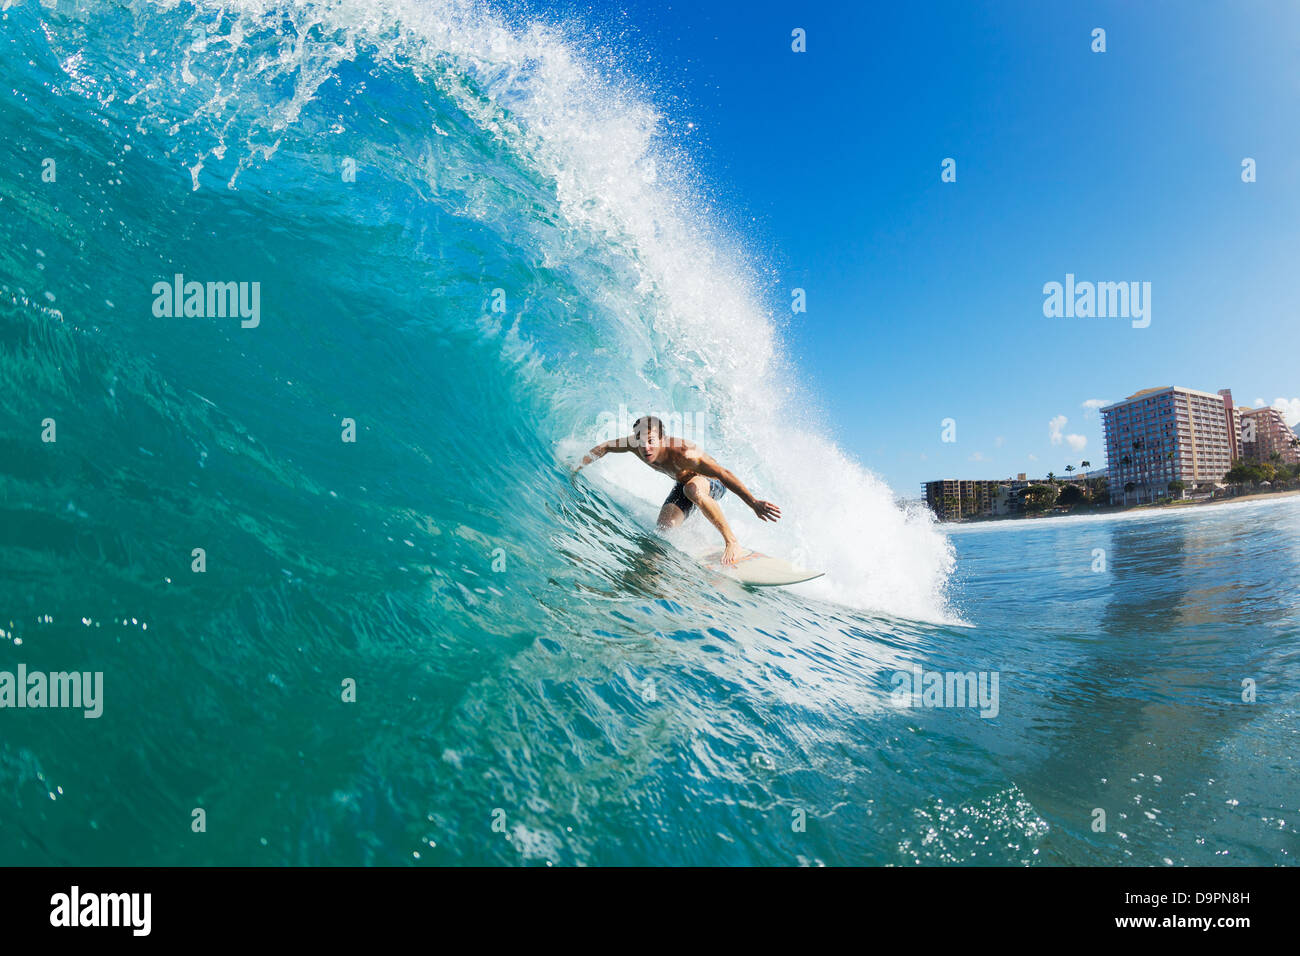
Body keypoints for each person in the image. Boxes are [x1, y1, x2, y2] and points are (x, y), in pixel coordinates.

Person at [573, 415, 781, 565]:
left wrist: (753, 503)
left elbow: (723, 474)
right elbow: (605, 447)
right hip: (684, 485)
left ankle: (732, 541)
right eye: (641, 441)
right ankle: (699, 538)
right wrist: (577, 466)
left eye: (652, 441)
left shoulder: (685, 454)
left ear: (662, 439)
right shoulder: (635, 444)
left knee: (692, 490)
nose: (646, 448)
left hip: (712, 483)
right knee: (664, 529)